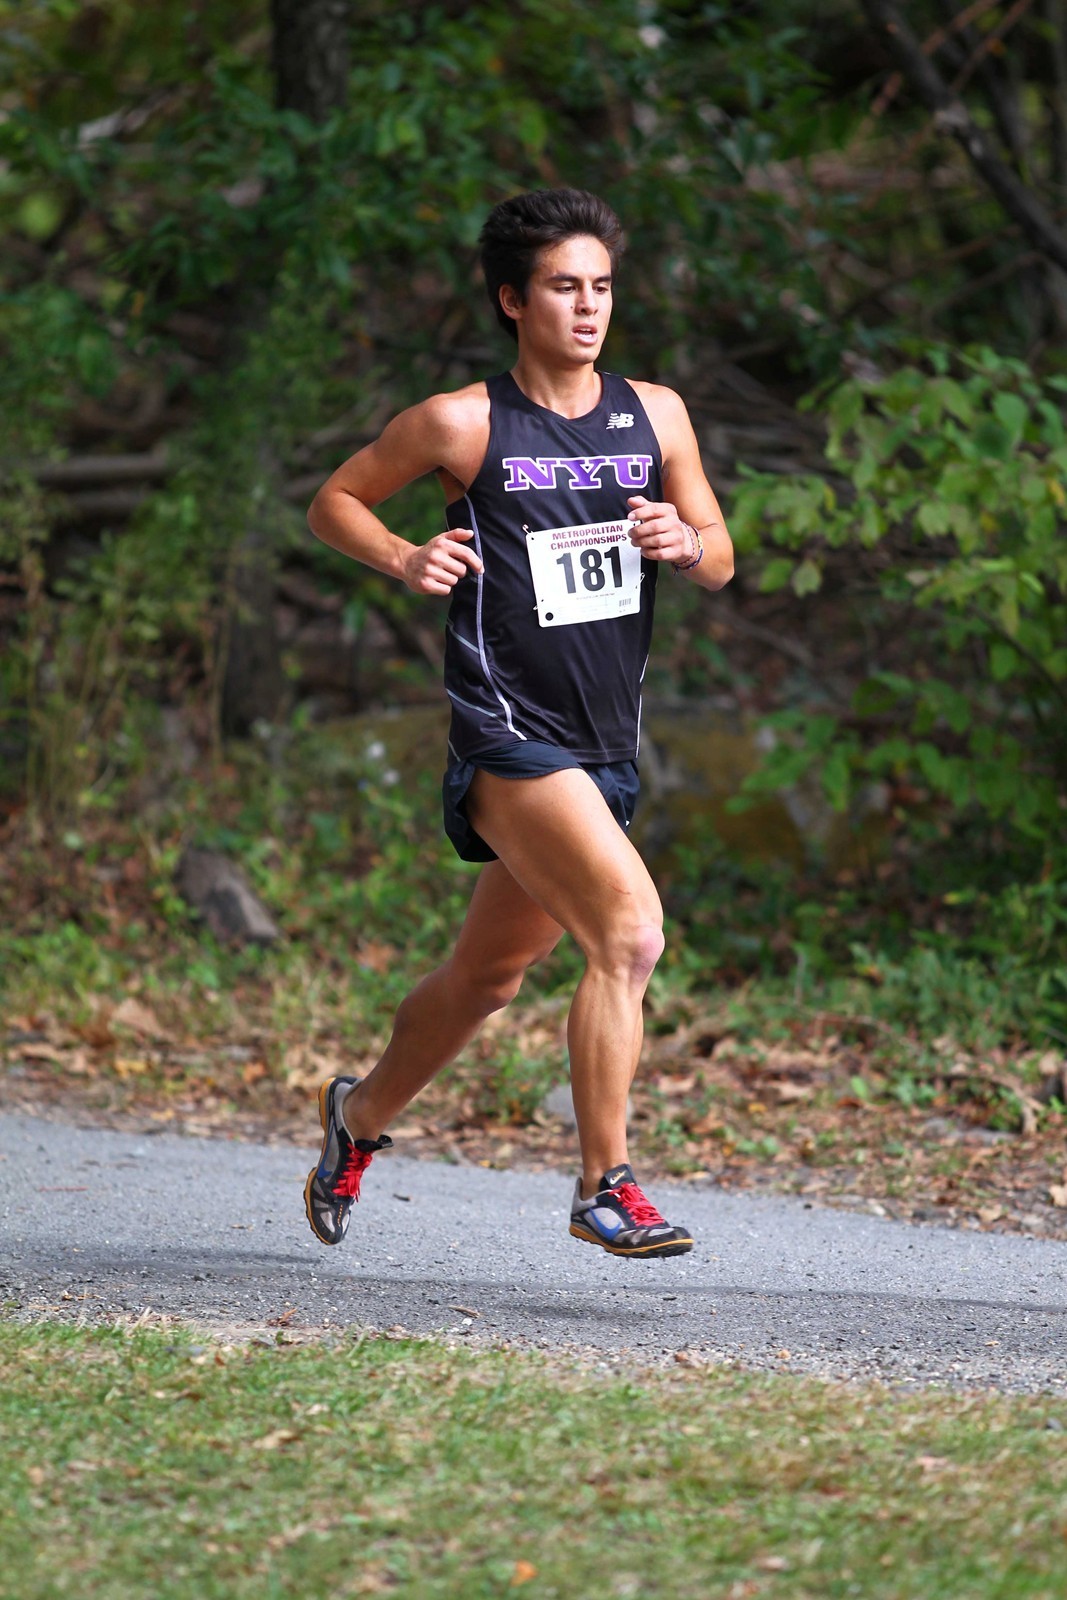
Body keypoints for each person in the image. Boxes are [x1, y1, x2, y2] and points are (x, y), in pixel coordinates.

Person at [303, 188, 733, 1259]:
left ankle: (356, 1120)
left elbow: (718, 555)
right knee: (628, 935)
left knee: (486, 979)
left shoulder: (656, 413)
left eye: (599, 286)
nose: (586, 307)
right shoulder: (464, 421)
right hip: (507, 734)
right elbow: (335, 500)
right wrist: (406, 556)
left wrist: (680, 540)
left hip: (601, 745)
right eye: (561, 287)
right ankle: (604, 1182)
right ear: (512, 298)